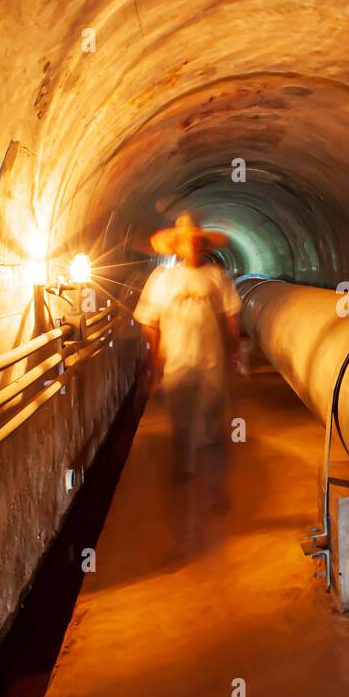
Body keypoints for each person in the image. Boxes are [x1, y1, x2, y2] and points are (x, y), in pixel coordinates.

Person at [133, 215, 241, 528]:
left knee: (212, 426)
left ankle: (216, 489)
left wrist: (234, 354)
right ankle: (183, 465)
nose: (190, 244)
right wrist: (154, 360)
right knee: (181, 421)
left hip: (211, 363)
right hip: (177, 362)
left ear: (203, 245)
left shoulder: (217, 277)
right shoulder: (161, 279)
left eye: (196, 240)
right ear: (177, 247)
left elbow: (230, 317)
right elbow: (148, 321)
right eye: (184, 240)